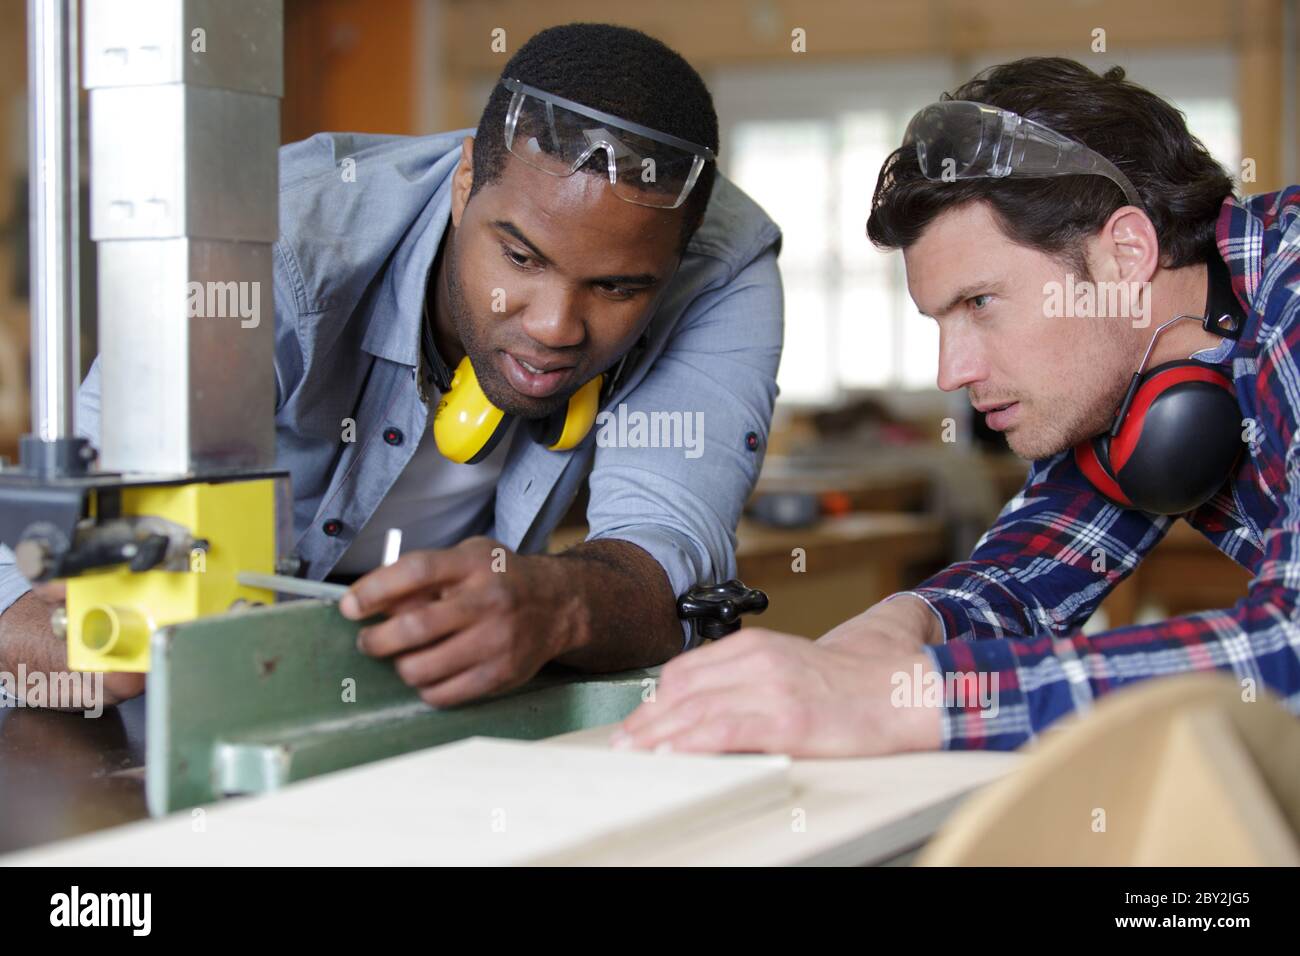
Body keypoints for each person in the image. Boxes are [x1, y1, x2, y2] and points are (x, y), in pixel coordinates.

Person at [0, 23, 783, 710]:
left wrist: (561, 603)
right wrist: (37, 632)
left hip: (431, 687)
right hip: (216, 657)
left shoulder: (722, 266)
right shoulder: (270, 243)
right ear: (465, 180)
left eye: (618, 287)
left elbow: (668, 561)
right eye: (520, 256)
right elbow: (61, 537)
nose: (553, 326)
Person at [616, 56, 1300, 755]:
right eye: (939, 321)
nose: (952, 372)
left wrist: (906, 705)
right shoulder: (1142, 360)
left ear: (1125, 254)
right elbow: (1027, 574)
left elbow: (1290, 648)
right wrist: (897, 627)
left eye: (980, 303)